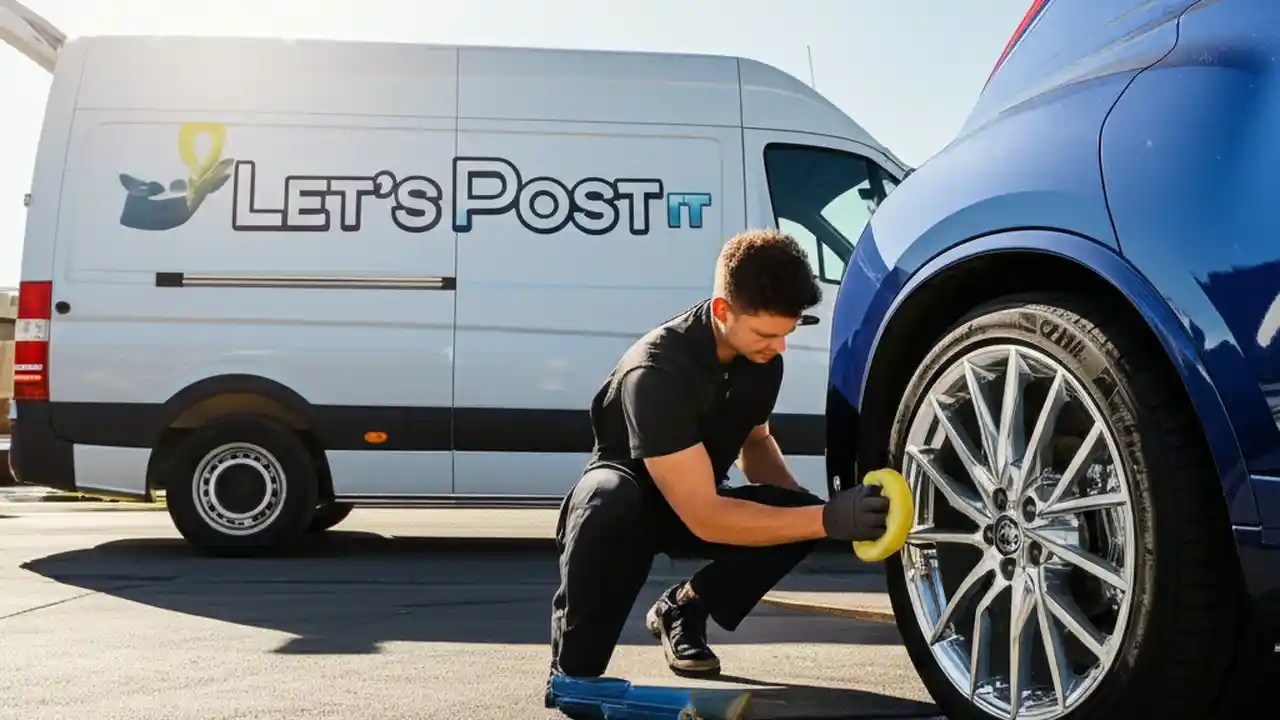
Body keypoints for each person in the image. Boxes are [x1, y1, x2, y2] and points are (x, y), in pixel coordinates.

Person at [545, 228, 891, 699]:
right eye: (767, 333)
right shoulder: (656, 371)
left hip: (696, 498)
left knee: (796, 512)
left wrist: (818, 514)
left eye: (787, 333)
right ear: (722, 310)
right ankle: (572, 672)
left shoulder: (762, 358)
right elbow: (704, 516)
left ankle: (683, 609)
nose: (779, 347)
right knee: (609, 501)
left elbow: (756, 443)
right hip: (626, 506)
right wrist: (826, 518)